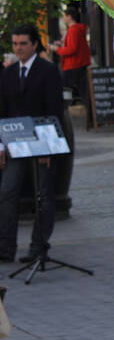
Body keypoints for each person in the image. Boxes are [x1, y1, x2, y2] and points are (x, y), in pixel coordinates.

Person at [0, 23, 65, 264]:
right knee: (7, 193)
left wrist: (47, 148)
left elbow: (54, 111)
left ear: (34, 44)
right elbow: (3, 112)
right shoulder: (7, 73)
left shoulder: (48, 71)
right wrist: (1, 147)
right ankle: (6, 248)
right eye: (15, 44)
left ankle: (38, 247)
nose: (18, 49)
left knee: (43, 197)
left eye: (23, 44)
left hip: (41, 145)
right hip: (15, 144)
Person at [50, 4, 91, 110]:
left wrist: (57, 49)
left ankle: (64, 110)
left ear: (69, 17)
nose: (63, 19)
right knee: (83, 91)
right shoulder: (77, 29)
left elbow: (72, 49)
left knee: (64, 89)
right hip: (80, 63)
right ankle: (91, 114)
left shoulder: (73, 30)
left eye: (64, 16)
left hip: (72, 65)